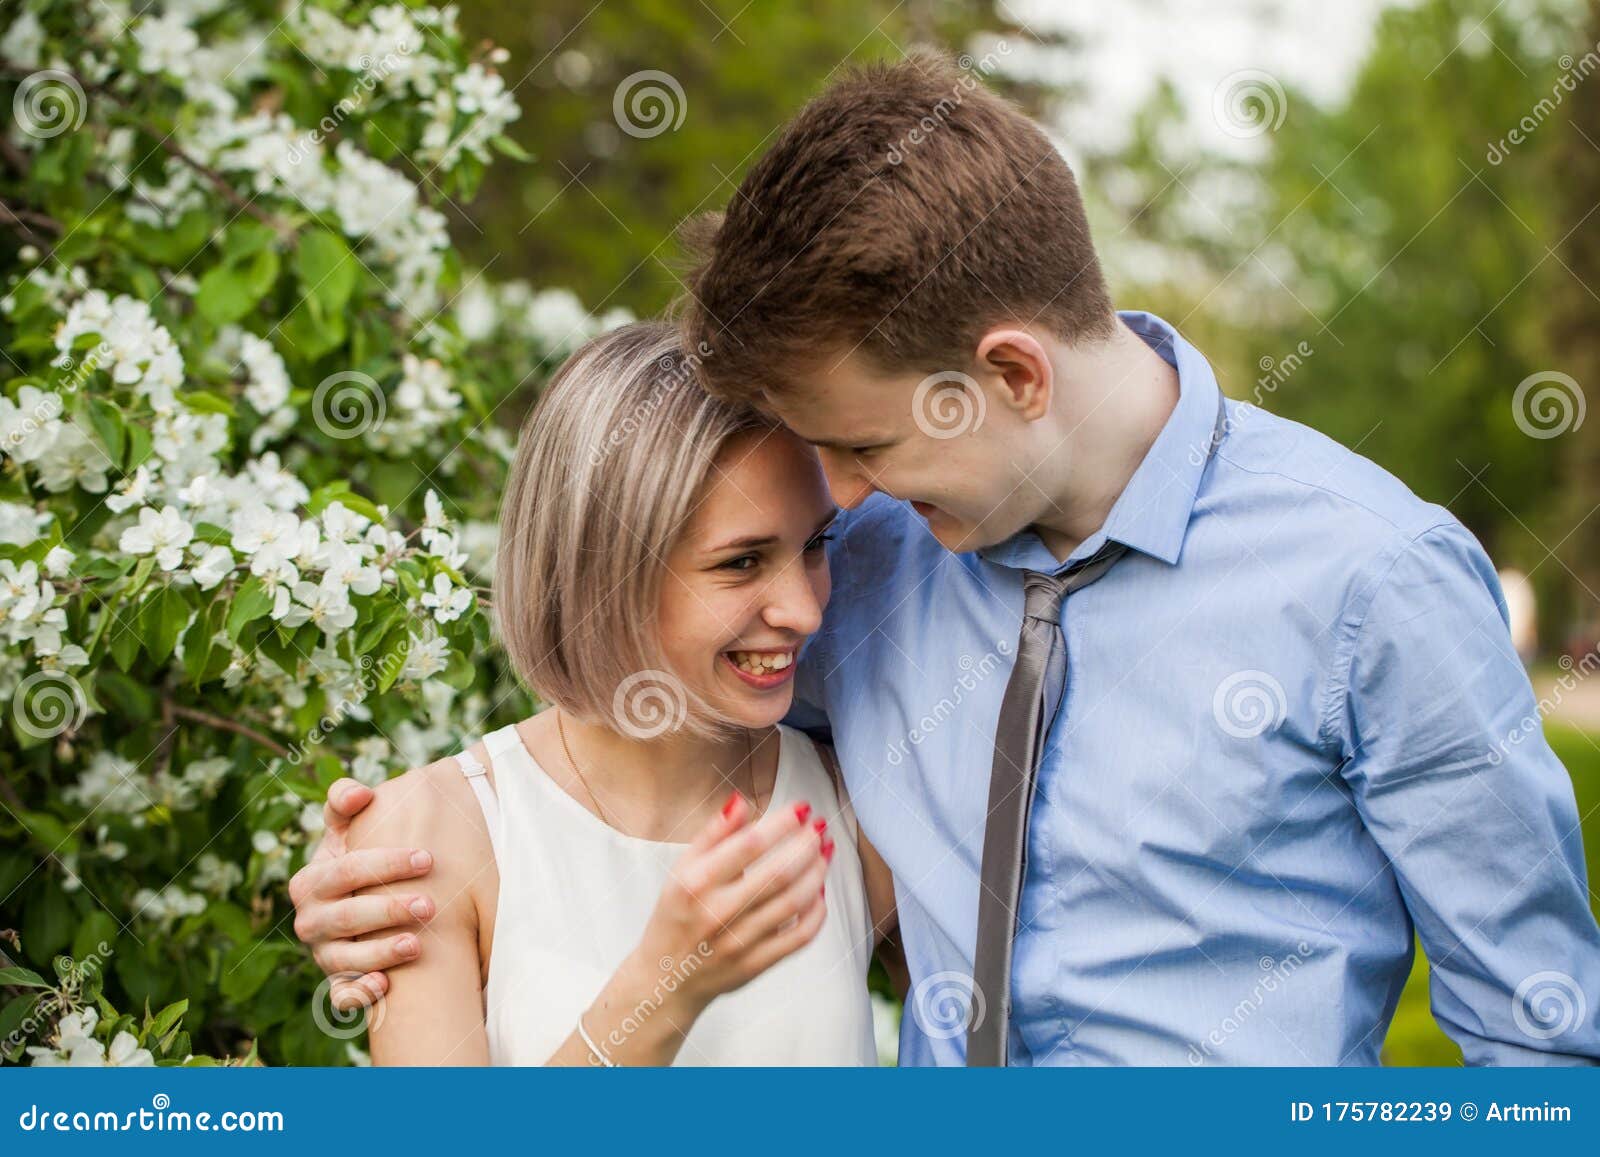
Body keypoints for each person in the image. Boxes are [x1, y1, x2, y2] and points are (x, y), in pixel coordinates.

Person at [292, 53, 1600, 1065]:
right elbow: (642, 728)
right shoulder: (864, 566)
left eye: (860, 447)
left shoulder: (1374, 583)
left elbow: (1539, 1045)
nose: (840, 502)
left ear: (1013, 375)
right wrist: (395, 874)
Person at [303, 321, 894, 1064]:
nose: (805, 610)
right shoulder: (431, 838)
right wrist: (664, 988)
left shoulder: (857, 805)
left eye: (815, 545)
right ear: (603, 573)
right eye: (741, 563)